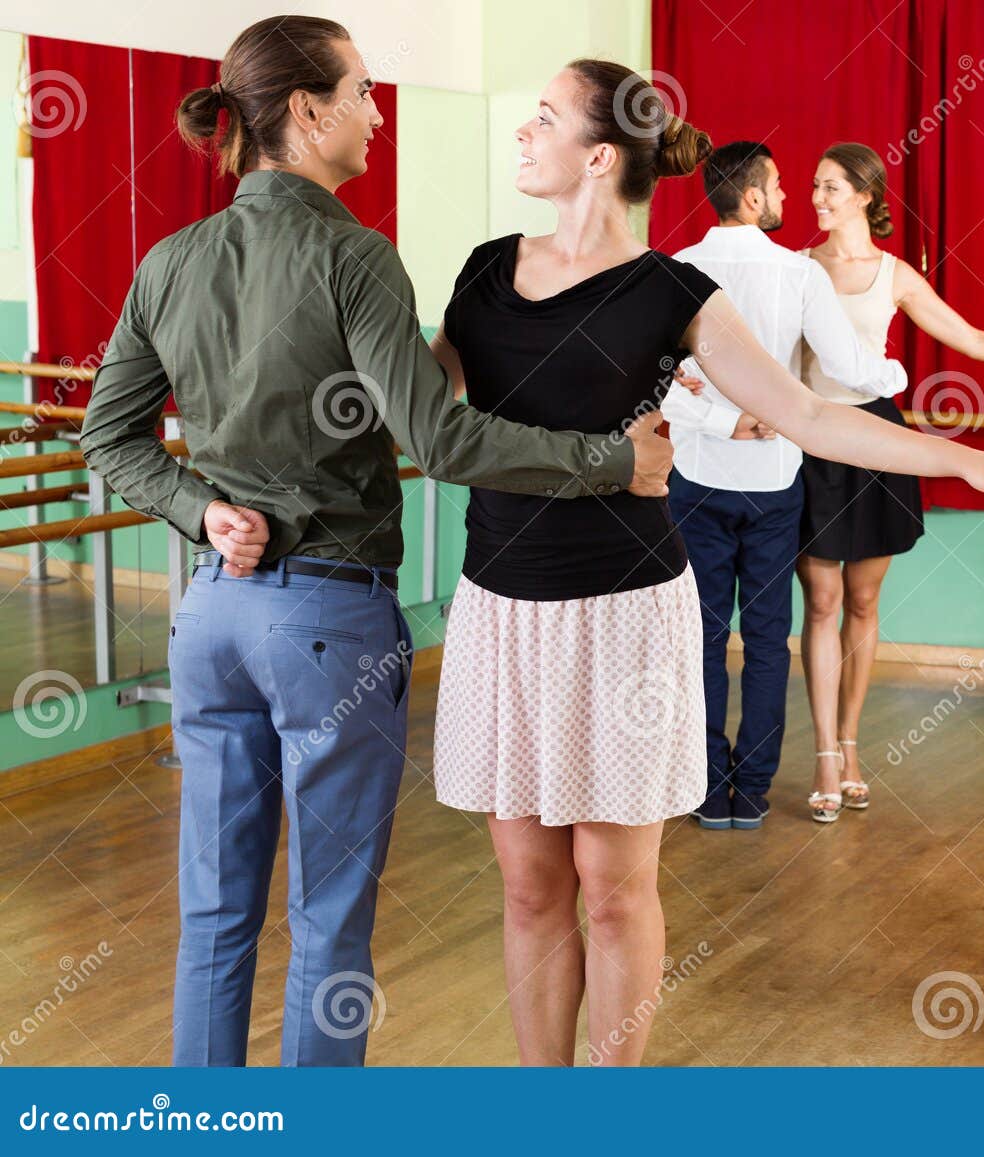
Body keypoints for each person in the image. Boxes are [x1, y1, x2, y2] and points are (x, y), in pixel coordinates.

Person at [426, 61, 984, 1066]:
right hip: (502, 606)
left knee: (613, 889)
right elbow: (422, 410)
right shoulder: (482, 272)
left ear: (598, 156)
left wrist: (962, 457)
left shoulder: (674, 291)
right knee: (527, 886)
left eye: (544, 118)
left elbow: (810, 412)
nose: (523, 131)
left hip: (623, 610)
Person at [77, 17, 673, 1067]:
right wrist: (612, 461)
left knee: (213, 911)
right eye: (360, 92)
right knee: (328, 920)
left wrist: (200, 509)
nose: (375, 113)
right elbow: (439, 438)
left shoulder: (171, 259)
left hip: (211, 614)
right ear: (307, 112)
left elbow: (108, 436)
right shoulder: (353, 256)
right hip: (325, 622)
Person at [797, 142, 984, 821]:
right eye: (814, 186)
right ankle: (825, 756)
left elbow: (970, 338)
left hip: (880, 442)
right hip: (814, 440)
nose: (817, 198)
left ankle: (851, 747)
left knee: (863, 600)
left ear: (865, 195)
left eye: (831, 187)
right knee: (823, 600)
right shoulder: (797, 268)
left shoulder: (894, 275)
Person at [661, 141, 907, 831]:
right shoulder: (799, 275)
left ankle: (708, 791)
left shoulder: (675, 271)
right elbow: (849, 367)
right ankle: (753, 793)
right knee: (768, 639)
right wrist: (895, 376)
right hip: (774, 487)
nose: (789, 196)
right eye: (777, 185)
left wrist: (720, 419)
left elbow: (651, 386)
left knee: (703, 639)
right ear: (750, 197)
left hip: (697, 482)